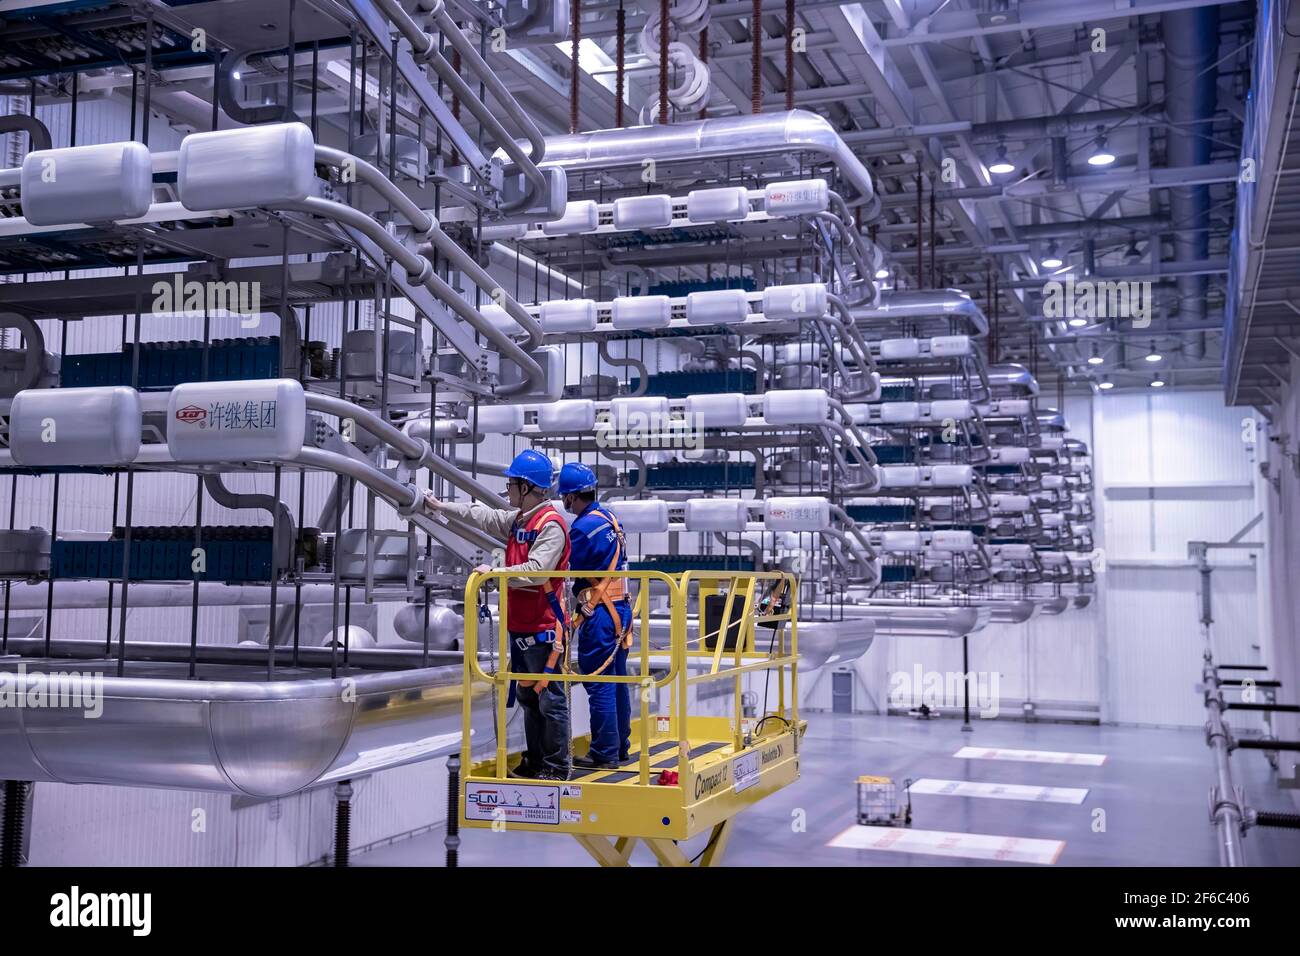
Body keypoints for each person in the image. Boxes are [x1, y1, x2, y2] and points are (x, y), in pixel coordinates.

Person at [424, 449, 572, 781]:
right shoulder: (521, 518)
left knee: (549, 698)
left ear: (527, 486)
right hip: (521, 624)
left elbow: (536, 572)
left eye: (511, 485)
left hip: (544, 626)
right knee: (527, 696)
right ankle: (536, 762)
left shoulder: (550, 524)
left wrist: (496, 571)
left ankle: (557, 767)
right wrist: (441, 507)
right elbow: (485, 516)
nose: (508, 492)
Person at [557, 462, 633, 770]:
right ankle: (620, 746)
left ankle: (604, 753)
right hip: (621, 608)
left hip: (600, 612)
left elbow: (560, 563)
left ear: (571, 497)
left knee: (599, 682)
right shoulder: (610, 518)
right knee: (617, 679)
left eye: (564, 497)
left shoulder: (583, 528)